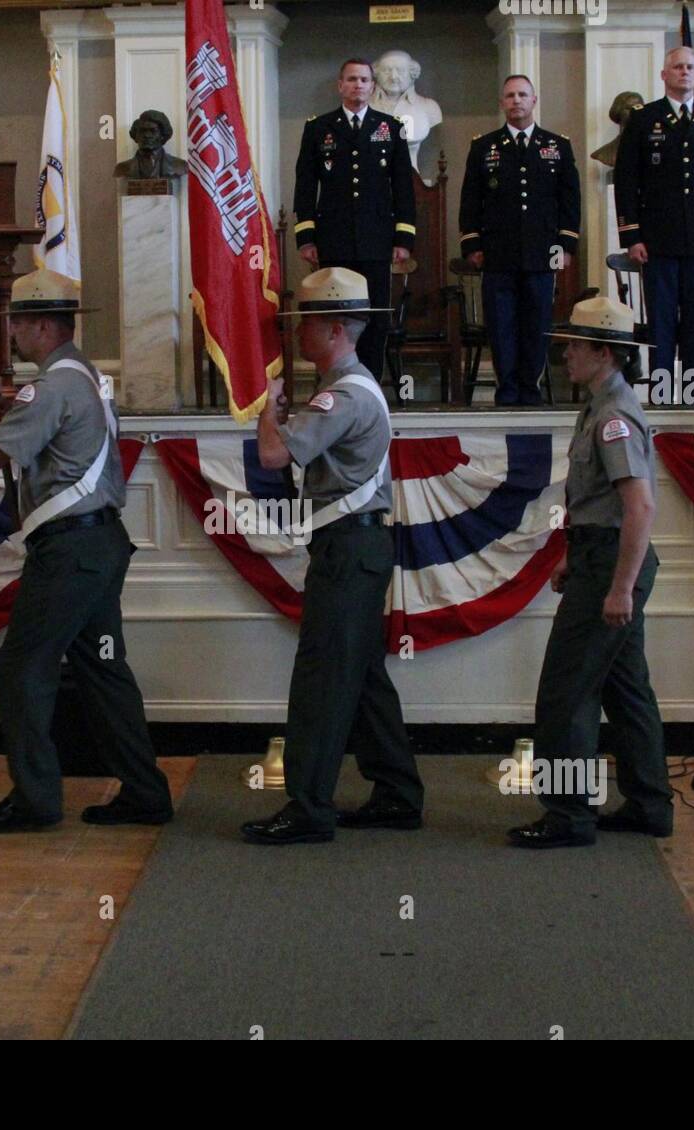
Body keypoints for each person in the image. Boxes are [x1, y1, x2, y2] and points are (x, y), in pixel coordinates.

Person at [0, 269, 172, 832]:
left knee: (22, 665)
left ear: (36, 326)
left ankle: (34, 798)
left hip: (69, 553)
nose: (10, 333)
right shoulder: (87, 378)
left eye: (15, 323)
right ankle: (145, 791)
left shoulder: (49, 387)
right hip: (100, 545)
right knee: (103, 668)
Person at [242, 268, 424, 845]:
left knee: (323, 675)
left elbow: (274, 455)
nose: (295, 334)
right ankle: (397, 793)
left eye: (306, 323)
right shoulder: (352, 386)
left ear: (335, 328)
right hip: (356, 546)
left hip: (348, 549)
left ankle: (309, 806)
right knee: (362, 676)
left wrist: (266, 408)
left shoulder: (342, 395)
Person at [508, 297, 673, 849]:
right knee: (626, 690)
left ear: (605, 352)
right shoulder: (601, 407)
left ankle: (568, 816)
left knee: (566, 694)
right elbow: (599, 503)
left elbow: (640, 508)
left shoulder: (612, 420)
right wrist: (572, 557)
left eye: (576, 346)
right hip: (599, 559)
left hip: (611, 568)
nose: (567, 356)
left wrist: (618, 586)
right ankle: (650, 804)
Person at [615, 46, 694, 385]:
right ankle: (661, 394)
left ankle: (692, 395)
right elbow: (626, 181)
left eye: (690, 67)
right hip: (657, 240)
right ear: (664, 74)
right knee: (661, 321)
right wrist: (632, 235)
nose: (684, 72)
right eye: (677, 67)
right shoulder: (643, 118)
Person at [460, 74, 580, 406]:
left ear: (534, 100)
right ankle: (507, 390)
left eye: (522, 95)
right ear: (502, 102)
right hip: (498, 255)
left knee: (536, 324)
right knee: (501, 327)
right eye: (510, 95)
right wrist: (473, 244)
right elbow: (471, 200)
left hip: (543, 254)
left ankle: (531, 388)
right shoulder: (484, 147)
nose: (516, 101)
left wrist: (565, 247)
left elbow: (569, 202)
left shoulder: (557, 146)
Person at [293, 59, 416, 382]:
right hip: (334, 239)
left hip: (377, 240)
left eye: (364, 79)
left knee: (373, 315)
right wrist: (306, 236)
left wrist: (403, 239)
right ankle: (334, 384)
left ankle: (369, 383)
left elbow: (403, 187)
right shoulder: (319, 128)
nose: (358, 85)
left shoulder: (390, 127)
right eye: (351, 79)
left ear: (372, 86)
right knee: (334, 315)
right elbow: (305, 185)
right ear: (340, 85)